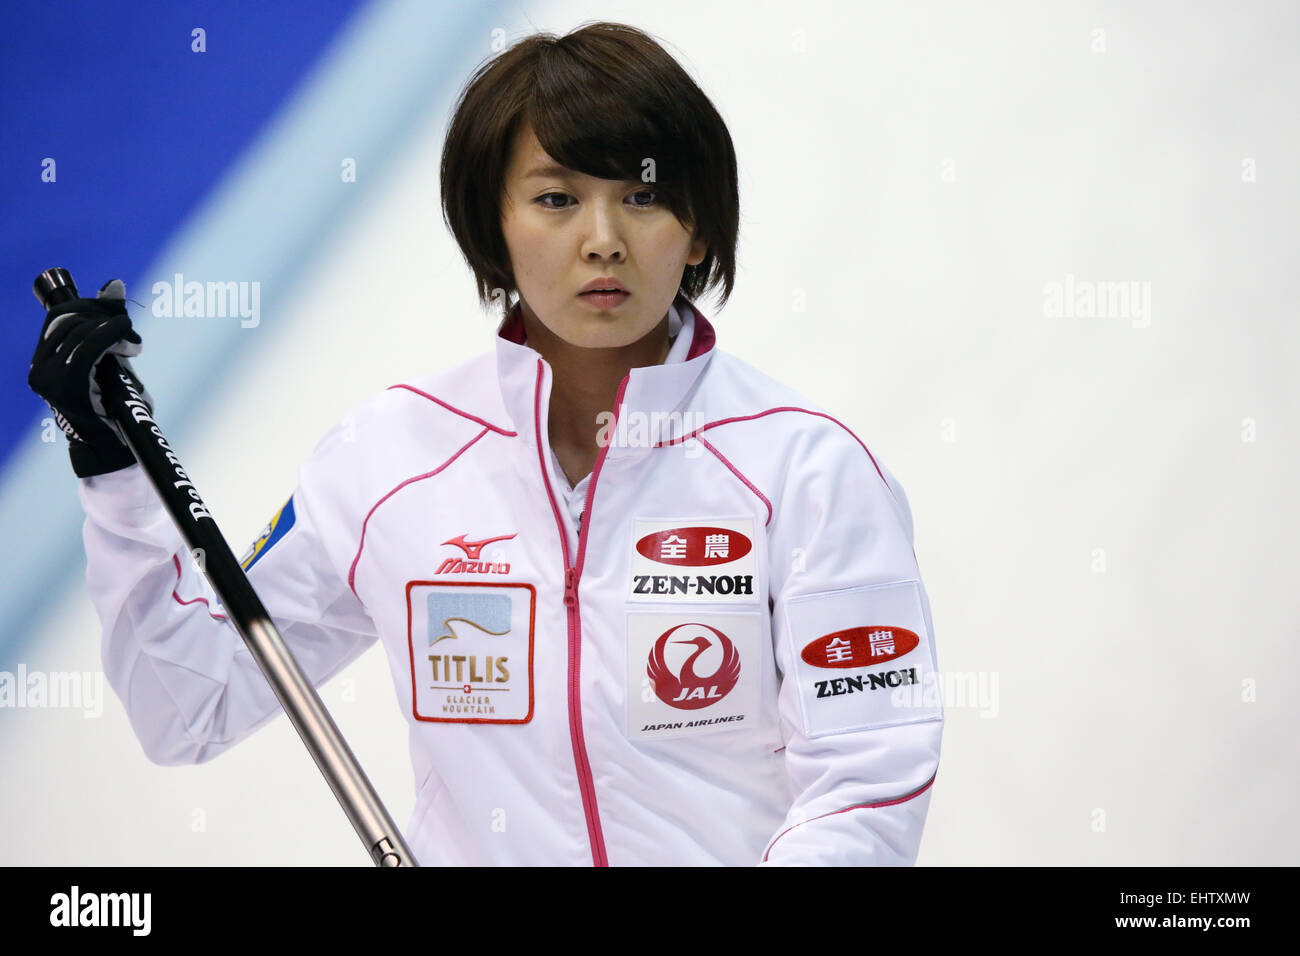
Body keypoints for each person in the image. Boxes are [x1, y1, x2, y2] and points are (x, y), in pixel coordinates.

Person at [28, 21, 943, 866]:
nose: (602, 240)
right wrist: (111, 471)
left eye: (644, 197)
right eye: (555, 198)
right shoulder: (388, 461)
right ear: (491, 228)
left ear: (698, 225)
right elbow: (190, 706)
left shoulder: (807, 472)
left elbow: (866, 781)